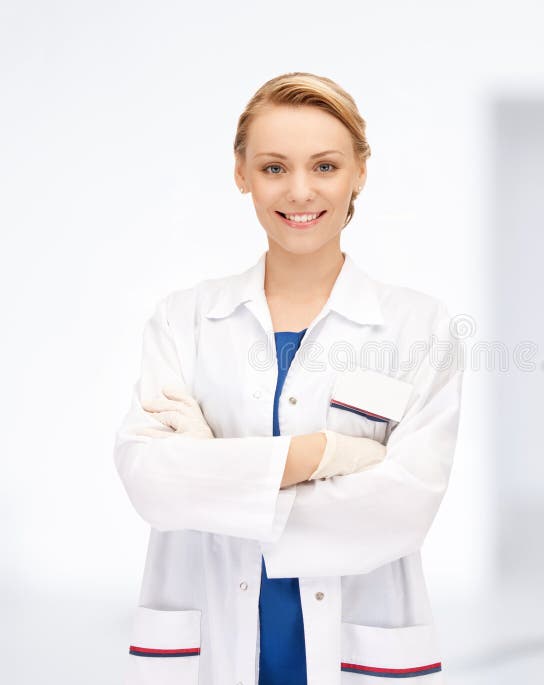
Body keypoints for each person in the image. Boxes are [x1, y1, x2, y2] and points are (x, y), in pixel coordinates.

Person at [114, 72, 464, 684]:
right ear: (241, 172)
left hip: (357, 639)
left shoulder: (419, 327)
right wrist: (324, 454)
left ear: (360, 171)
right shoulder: (184, 319)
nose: (300, 191)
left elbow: (403, 506)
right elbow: (151, 482)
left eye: (324, 166)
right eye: (275, 167)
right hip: (210, 643)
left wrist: (214, 467)